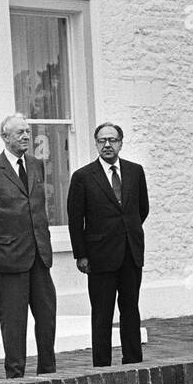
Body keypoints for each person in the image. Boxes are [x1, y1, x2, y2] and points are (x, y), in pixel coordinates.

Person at [0, 114, 57, 379]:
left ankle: (48, 371)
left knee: (46, 317)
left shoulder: (35, 165)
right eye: (19, 132)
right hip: (10, 258)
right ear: (5, 137)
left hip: (39, 255)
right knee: (13, 321)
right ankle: (15, 374)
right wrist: (0, 248)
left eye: (27, 132)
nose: (25, 136)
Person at [67, 122, 149, 366]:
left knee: (130, 310)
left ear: (121, 143)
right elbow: (75, 219)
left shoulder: (135, 171)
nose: (107, 145)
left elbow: (141, 210)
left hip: (130, 253)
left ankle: (133, 362)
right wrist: (81, 255)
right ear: (96, 144)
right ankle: (102, 366)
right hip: (99, 256)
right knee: (102, 314)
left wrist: (127, 233)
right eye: (102, 140)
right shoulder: (83, 177)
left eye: (112, 140)